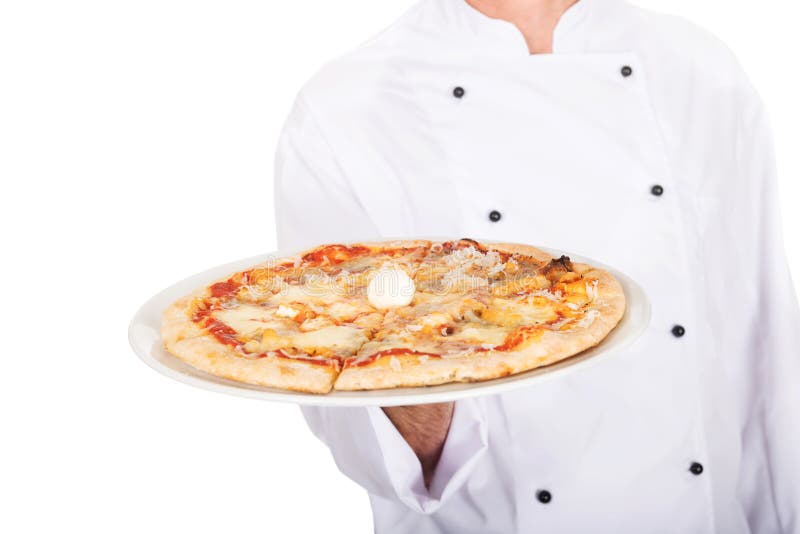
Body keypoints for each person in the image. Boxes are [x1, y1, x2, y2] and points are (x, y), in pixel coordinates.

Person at [273, 0, 800, 532]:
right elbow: (360, 423)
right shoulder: (346, 106)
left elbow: (765, 344)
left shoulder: (700, 71)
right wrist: (415, 350)